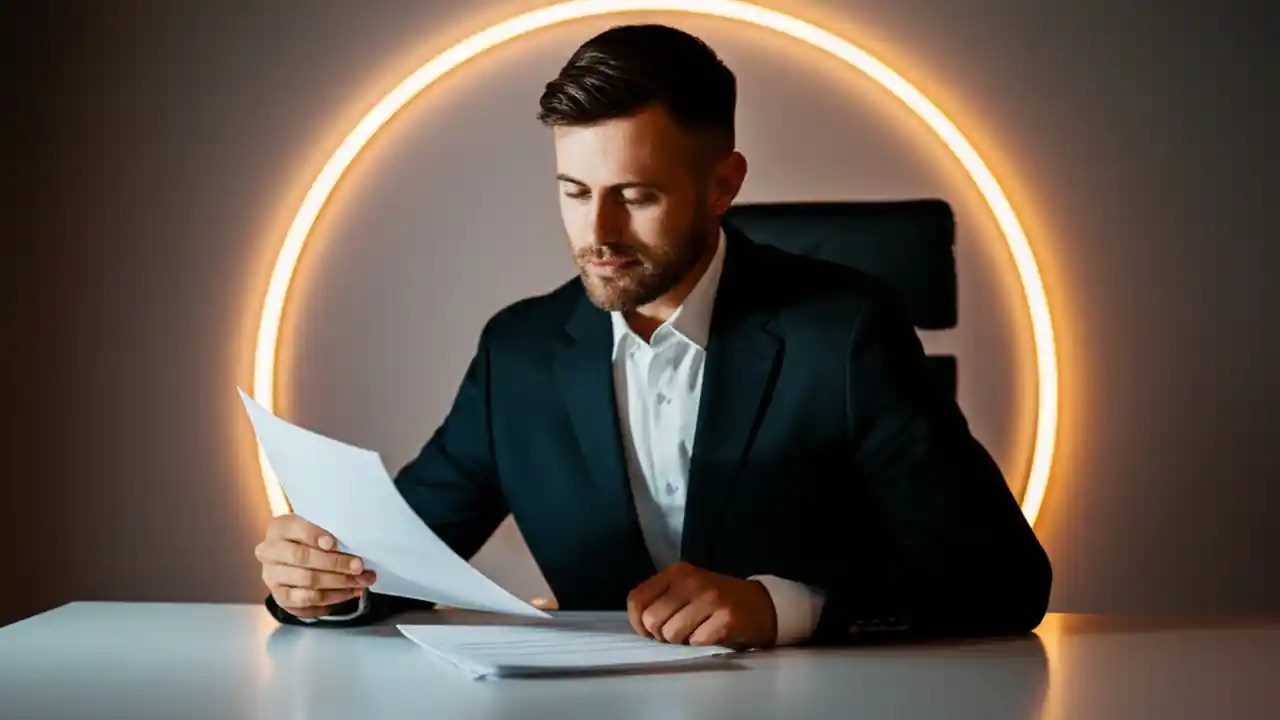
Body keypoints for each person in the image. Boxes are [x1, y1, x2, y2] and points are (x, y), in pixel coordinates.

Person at [254, 23, 1051, 648]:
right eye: (573, 191)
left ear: (723, 186)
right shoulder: (518, 352)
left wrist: (783, 607)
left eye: (634, 195)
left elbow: (1005, 580)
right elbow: (398, 558)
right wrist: (321, 580)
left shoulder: (847, 332)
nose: (595, 232)